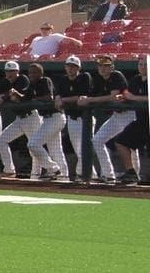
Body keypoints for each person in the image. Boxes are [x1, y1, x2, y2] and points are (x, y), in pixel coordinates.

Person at [88, 53, 137, 185]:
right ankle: (108, 174)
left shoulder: (117, 75)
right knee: (97, 140)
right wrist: (84, 98)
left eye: (106, 66)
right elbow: (91, 95)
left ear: (112, 67)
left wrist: (90, 100)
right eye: (100, 65)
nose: (102, 68)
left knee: (129, 145)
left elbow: (112, 96)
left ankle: (135, 174)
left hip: (129, 115)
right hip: (116, 116)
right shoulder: (98, 79)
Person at [52, 54, 95, 182]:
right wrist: (58, 98)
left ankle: (83, 175)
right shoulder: (64, 80)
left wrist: (63, 99)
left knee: (84, 149)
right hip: (72, 118)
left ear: (78, 68)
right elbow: (58, 94)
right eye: (68, 66)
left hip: (85, 119)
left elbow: (82, 96)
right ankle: (90, 176)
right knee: (78, 150)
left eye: (73, 66)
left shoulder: (84, 77)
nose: (70, 69)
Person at [0, 60, 39, 178]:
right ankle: (9, 170)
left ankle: (35, 175)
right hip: (19, 119)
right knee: (1, 140)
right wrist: (0, 96)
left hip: (31, 118)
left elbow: (17, 96)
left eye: (12, 71)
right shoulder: (5, 81)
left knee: (33, 147)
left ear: (17, 72)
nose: (9, 74)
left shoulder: (23, 79)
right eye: (7, 71)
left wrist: (5, 96)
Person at [22, 62, 66, 180]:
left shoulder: (45, 80)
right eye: (30, 72)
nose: (31, 74)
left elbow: (48, 97)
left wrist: (34, 99)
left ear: (41, 73)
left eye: (34, 72)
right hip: (47, 119)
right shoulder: (32, 85)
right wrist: (15, 95)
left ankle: (53, 168)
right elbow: (24, 98)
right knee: (56, 150)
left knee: (33, 144)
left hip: (56, 117)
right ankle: (63, 176)